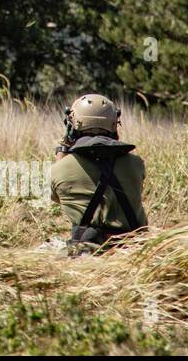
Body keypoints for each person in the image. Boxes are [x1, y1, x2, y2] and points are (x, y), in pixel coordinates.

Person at [49, 93, 148, 253]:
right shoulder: (136, 164)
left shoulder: (59, 169)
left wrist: (63, 148)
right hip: (135, 250)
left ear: (72, 125)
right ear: (114, 124)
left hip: (87, 252)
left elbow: (56, 198)